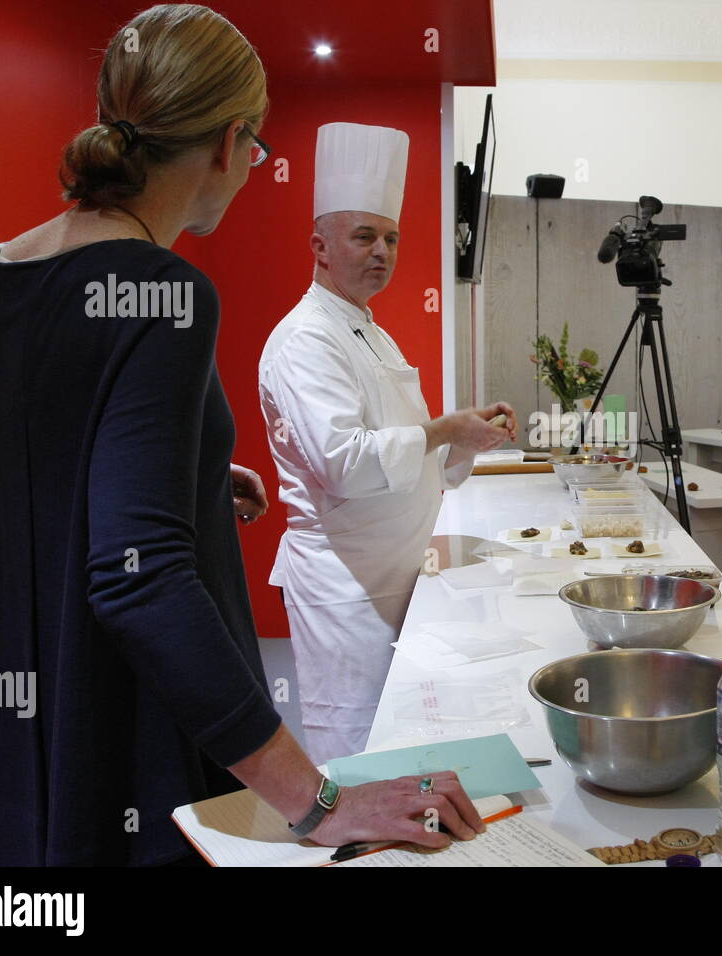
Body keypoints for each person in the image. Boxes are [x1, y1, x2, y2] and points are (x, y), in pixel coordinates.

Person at [0, 5, 484, 866]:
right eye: (257, 149)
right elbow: (140, 582)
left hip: (3, 770)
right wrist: (319, 800)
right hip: (116, 765)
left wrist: (188, 474)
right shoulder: (165, 292)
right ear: (229, 145)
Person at [260, 122, 517, 765]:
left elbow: (414, 459)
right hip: (346, 588)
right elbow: (346, 466)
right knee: (353, 752)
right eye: (365, 236)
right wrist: (444, 429)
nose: (383, 251)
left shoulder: (372, 331)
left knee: (399, 744)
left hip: (398, 576)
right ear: (320, 245)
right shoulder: (305, 340)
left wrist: (466, 441)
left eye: (392, 238)